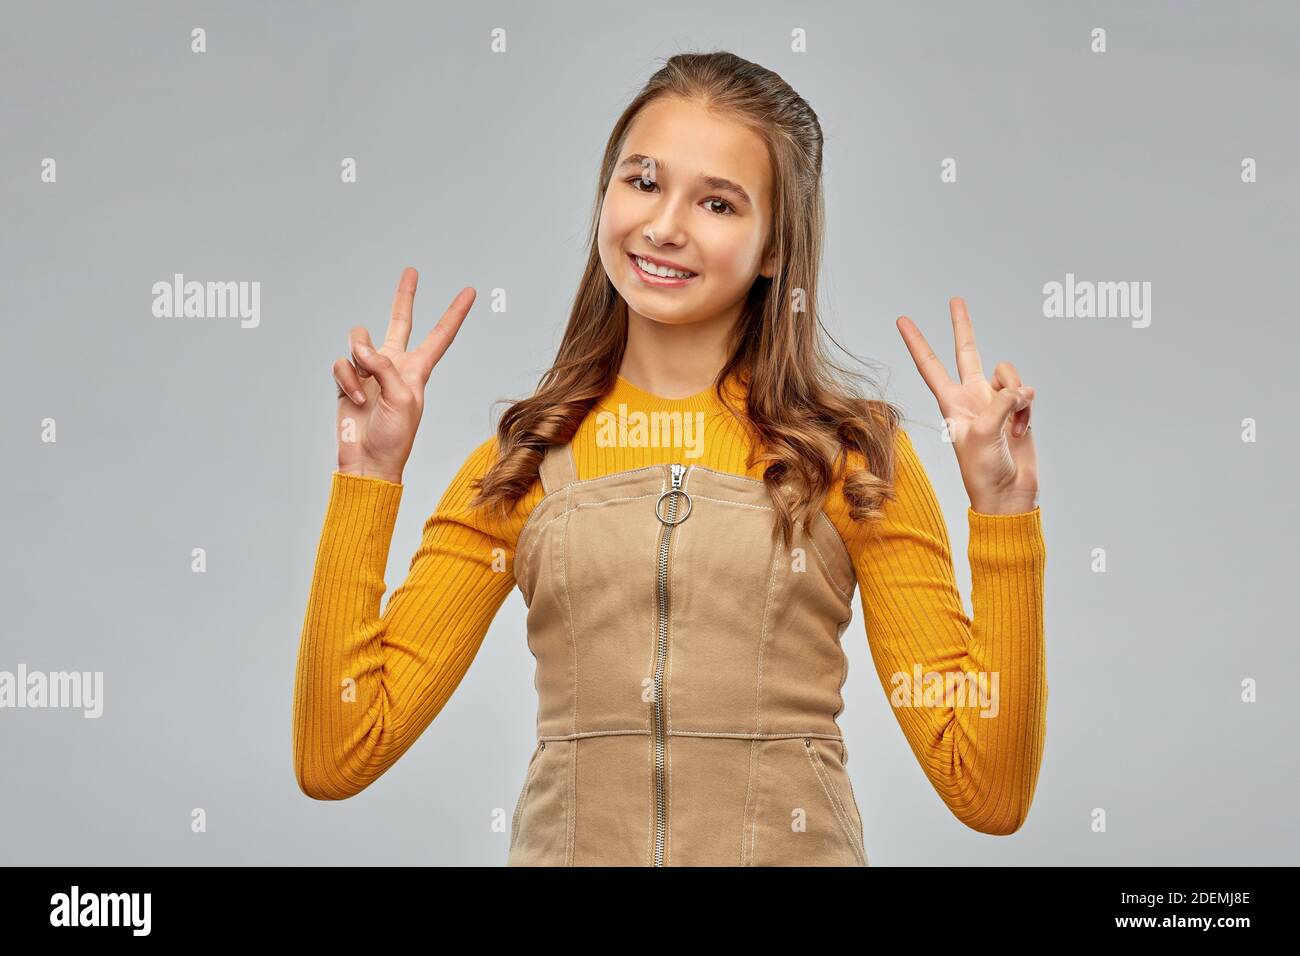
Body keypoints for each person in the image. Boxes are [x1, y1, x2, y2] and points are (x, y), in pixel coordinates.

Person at [292, 51, 1046, 867]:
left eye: (717, 201)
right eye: (643, 182)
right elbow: (339, 754)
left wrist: (1004, 519)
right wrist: (367, 479)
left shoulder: (851, 459)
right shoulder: (526, 464)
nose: (664, 226)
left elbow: (987, 791)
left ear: (773, 249)